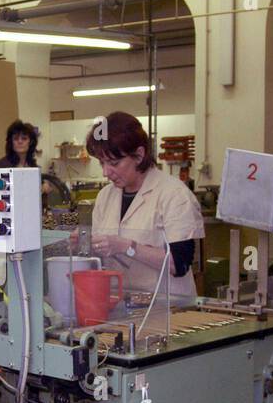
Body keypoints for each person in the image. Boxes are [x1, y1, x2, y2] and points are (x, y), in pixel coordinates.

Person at [78, 111, 203, 298]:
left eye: (114, 163)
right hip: (120, 306)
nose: (105, 172)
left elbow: (179, 264)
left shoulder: (174, 194)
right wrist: (83, 244)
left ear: (139, 155)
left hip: (168, 310)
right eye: (101, 163)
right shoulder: (105, 196)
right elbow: (100, 258)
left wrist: (127, 247)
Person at [1, 118, 53, 194]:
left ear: (31, 142)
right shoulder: (2, 165)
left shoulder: (33, 166)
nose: (20, 141)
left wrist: (45, 186)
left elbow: (43, 189)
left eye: (24, 138)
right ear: (11, 142)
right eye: (16, 138)